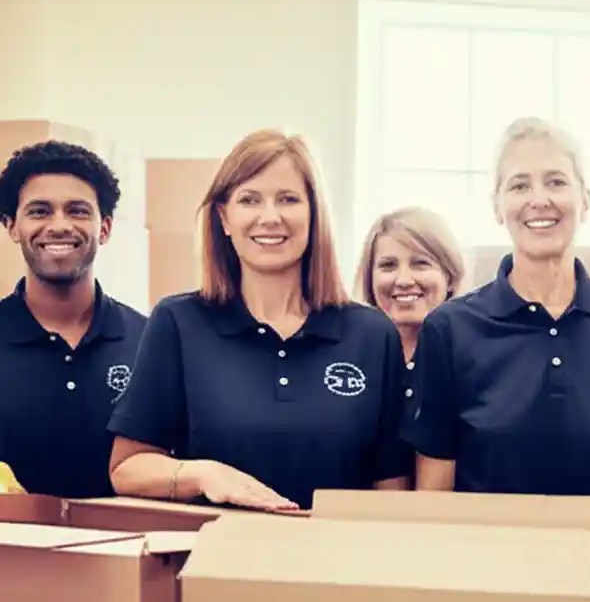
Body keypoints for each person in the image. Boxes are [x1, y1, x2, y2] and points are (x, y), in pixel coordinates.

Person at [107, 129, 411, 510]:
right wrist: (204, 474)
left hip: (336, 563)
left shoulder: (372, 334)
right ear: (224, 218)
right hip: (212, 562)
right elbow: (126, 468)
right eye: (249, 200)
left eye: (288, 199)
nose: (270, 217)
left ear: (314, 214)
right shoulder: (178, 323)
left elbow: (391, 485)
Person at [401, 117, 590, 496]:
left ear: (586, 200)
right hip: (489, 553)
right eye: (519, 185)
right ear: (498, 206)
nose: (539, 199)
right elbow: (434, 493)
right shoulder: (451, 329)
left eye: (556, 182)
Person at [0, 140, 146, 499]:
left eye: (78, 211)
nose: (59, 225)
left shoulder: (150, 340)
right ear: (11, 226)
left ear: (105, 227)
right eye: (39, 211)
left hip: (129, 550)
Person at [354, 206, 466, 363]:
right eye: (388, 265)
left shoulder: (475, 356)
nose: (404, 280)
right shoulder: (348, 357)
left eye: (420, 263)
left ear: (450, 276)